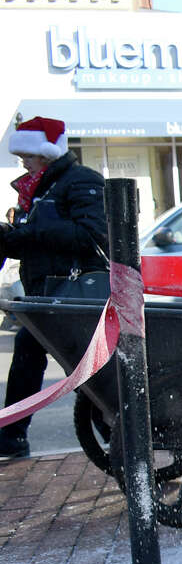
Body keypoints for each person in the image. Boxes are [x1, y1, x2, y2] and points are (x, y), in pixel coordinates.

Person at [0, 116, 107, 459]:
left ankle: (13, 435)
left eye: (28, 157)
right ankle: (13, 434)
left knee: (69, 361)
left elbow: (92, 236)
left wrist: (29, 234)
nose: (23, 163)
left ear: (46, 153)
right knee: (52, 357)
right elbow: (41, 242)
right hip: (47, 293)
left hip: (72, 293)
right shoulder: (39, 189)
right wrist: (12, 238)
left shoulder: (81, 181)